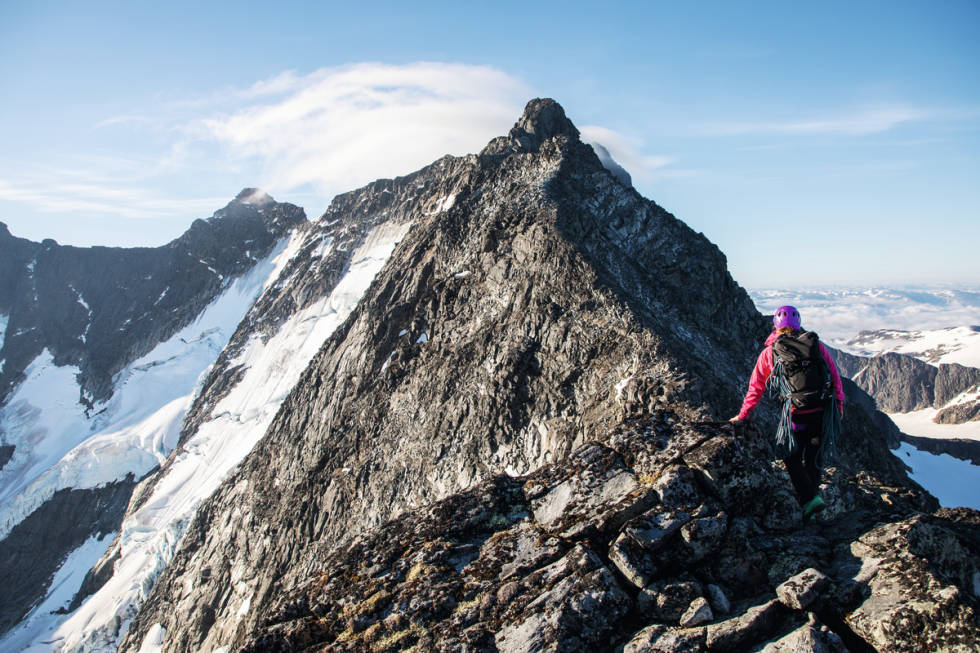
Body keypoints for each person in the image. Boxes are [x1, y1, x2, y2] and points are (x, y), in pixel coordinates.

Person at [730, 305, 844, 520]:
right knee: (813, 457)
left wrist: (743, 415)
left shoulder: (770, 352)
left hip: (796, 413)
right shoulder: (815, 345)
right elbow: (835, 378)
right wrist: (838, 406)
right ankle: (811, 503)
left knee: (790, 455)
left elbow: (756, 388)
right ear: (798, 324)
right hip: (821, 412)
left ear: (776, 325)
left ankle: (810, 500)